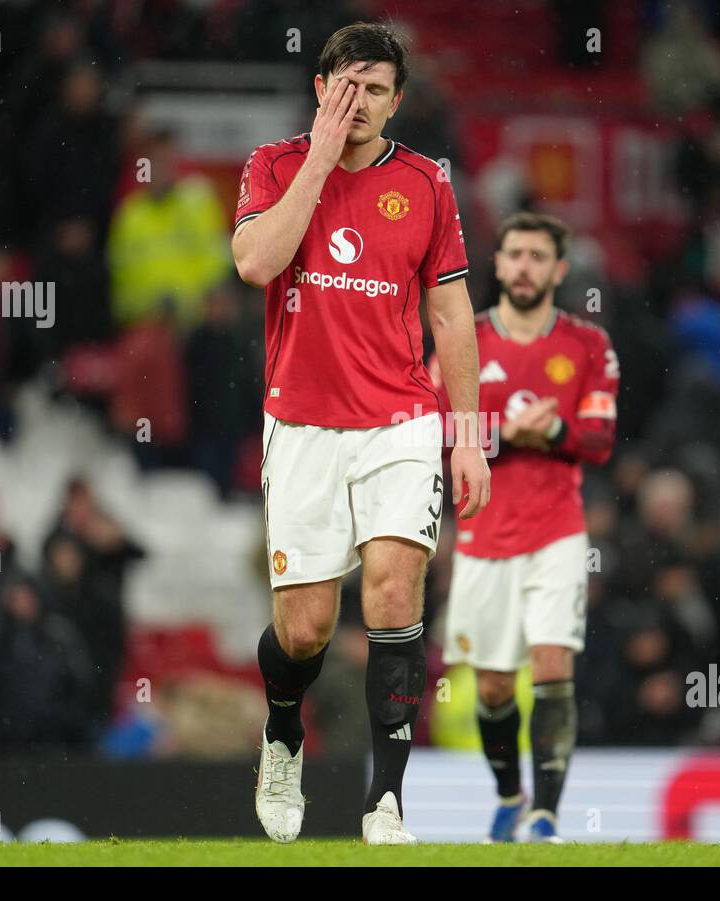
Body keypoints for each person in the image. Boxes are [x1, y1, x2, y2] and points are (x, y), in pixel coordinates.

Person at [231, 22, 490, 845]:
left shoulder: (425, 184)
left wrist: (469, 433)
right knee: (305, 629)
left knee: (390, 592)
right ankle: (282, 733)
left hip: (399, 421)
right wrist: (320, 153)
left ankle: (387, 800)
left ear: (398, 100)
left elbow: (450, 314)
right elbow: (254, 264)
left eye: (377, 90)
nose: (362, 104)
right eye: (348, 87)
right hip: (302, 419)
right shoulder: (273, 165)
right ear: (321, 88)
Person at [433, 212, 619, 842]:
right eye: (515, 254)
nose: (524, 267)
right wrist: (506, 438)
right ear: (498, 262)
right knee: (490, 686)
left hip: (557, 531)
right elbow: (431, 432)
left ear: (559, 270)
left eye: (538, 257)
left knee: (550, 663)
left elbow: (598, 440)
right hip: (482, 534)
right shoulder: (463, 341)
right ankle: (511, 795)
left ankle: (546, 815)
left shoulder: (589, 346)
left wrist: (557, 431)